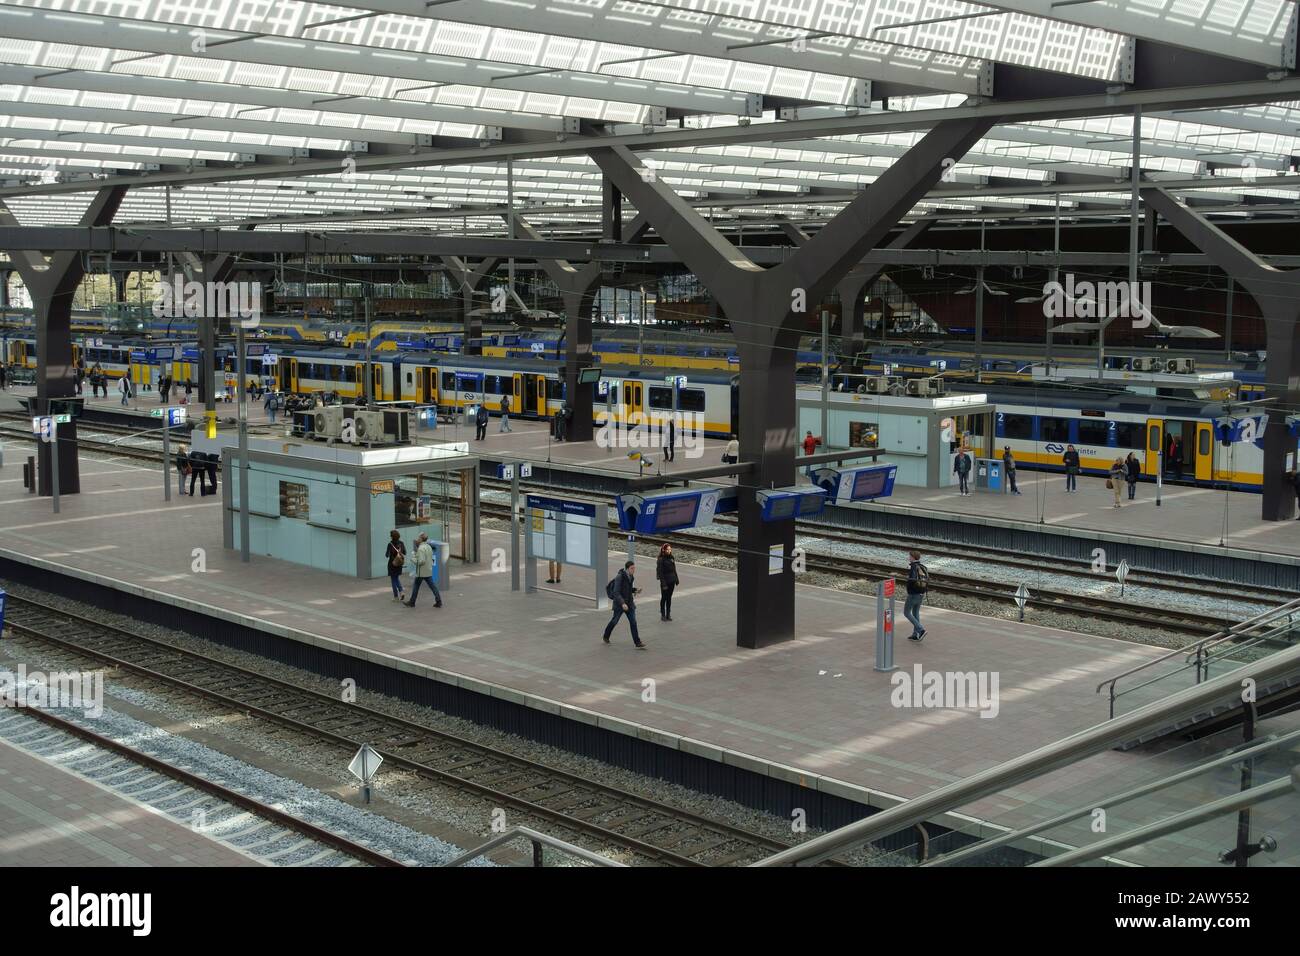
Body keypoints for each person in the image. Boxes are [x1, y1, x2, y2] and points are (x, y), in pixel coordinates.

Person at [602, 560, 645, 648]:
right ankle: (606, 635)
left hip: (629, 603)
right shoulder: (620, 577)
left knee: (633, 622)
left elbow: (628, 589)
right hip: (620, 604)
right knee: (614, 621)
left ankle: (637, 642)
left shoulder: (631, 576)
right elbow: (616, 592)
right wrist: (622, 603)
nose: (634, 570)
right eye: (632, 568)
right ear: (627, 569)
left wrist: (635, 590)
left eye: (634, 568)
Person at [404, 532, 442, 608]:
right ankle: (438, 601)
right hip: (428, 570)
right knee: (433, 586)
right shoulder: (428, 546)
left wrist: (413, 559)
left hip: (421, 572)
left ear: (421, 539)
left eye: (419, 538)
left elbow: (421, 561)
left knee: (416, 586)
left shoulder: (421, 548)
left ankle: (412, 602)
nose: (417, 539)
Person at [904, 550, 928, 642]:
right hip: (921, 593)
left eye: (909, 556)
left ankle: (921, 630)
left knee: (906, 612)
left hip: (913, 594)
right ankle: (915, 634)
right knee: (915, 612)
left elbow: (912, 580)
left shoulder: (913, 567)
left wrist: (909, 589)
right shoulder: (922, 566)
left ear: (913, 557)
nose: (908, 558)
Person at [656, 543, 679, 622]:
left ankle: (668, 614)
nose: (669, 551)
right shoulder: (661, 559)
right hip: (665, 582)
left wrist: (676, 579)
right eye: (667, 549)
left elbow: (674, 569)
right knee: (664, 598)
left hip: (672, 581)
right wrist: (663, 584)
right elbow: (660, 573)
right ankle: (663, 615)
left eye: (670, 549)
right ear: (664, 550)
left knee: (669, 598)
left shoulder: (671, 558)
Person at [385, 530, 407, 603]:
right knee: (396, 578)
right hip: (399, 564)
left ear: (392, 537)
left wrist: (391, 553)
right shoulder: (401, 543)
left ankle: (396, 597)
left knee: (393, 580)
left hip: (392, 564)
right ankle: (401, 592)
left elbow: (387, 555)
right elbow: (405, 552)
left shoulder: (390, 544)